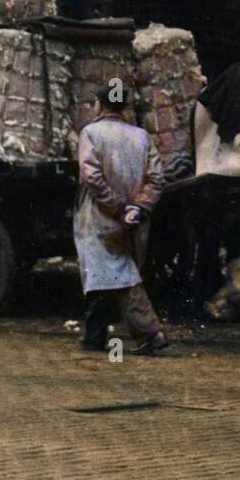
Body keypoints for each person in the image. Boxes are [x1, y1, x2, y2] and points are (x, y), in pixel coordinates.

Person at [74, 86, 169, 355]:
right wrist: (137, 208)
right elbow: (156, 179)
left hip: (100, 218)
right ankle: (94, 338)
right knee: (114, 274)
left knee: (117, 276)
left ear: (99, 106)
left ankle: (149, 333)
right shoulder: (141, 136)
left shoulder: (91, 133)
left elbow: (91, 177)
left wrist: (117, 207)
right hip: (135, 220)